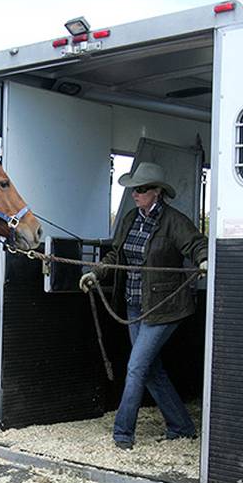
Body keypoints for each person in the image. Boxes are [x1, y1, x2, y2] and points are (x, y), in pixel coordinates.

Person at [79, 162, 208, 450]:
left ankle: (122, 435)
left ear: (157, 192)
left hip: (164, 307)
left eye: (141, 189)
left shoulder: (175, 221)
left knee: (136, 367)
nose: (135, 194)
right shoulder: (129, 219)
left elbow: (197, 243)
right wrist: (96, 273)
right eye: (134, 189)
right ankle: (182, 426)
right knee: (149, 370)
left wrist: (203, 260)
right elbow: (116, 253)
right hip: (134, 304)